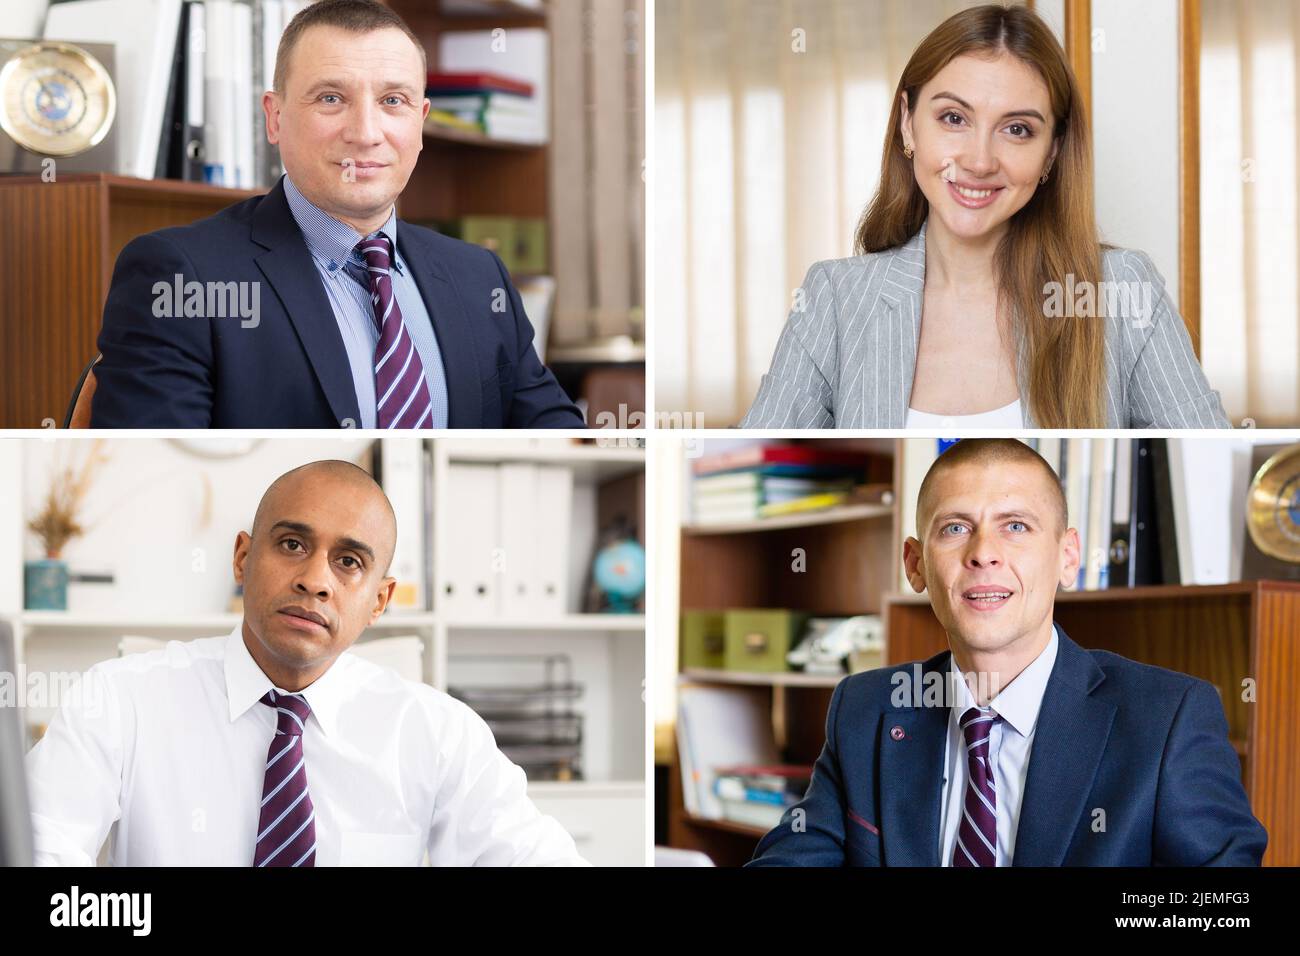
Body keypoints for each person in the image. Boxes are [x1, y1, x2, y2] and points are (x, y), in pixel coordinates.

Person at [26, 460, 587, 866]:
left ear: (379, 602)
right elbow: (37, 847)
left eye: (348, 561)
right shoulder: (122, 700)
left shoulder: (439, 732)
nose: (314, 580)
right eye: (292, 544)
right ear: (244, 558)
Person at [748, 439, 1266, 866]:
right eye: (955, 528)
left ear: (1068, 557)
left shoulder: (1168, 718)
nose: (983, 553)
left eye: (1015, 526)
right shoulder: (865, 709)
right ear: (915, 564)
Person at [91, 0, 584, 429]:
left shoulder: (480, 276)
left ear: (421, 121)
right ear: (275, 117)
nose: (366, 132)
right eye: (331, 98)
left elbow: (553, 428)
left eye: (393, 101)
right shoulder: (182, 274)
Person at [740, 4, 1229, 429]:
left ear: (1051, 154)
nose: (978, 160)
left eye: (1016, 129)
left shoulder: (1121, 292)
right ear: (909, 123)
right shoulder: (835, 299)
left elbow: (1206, 461)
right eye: (953, 118)